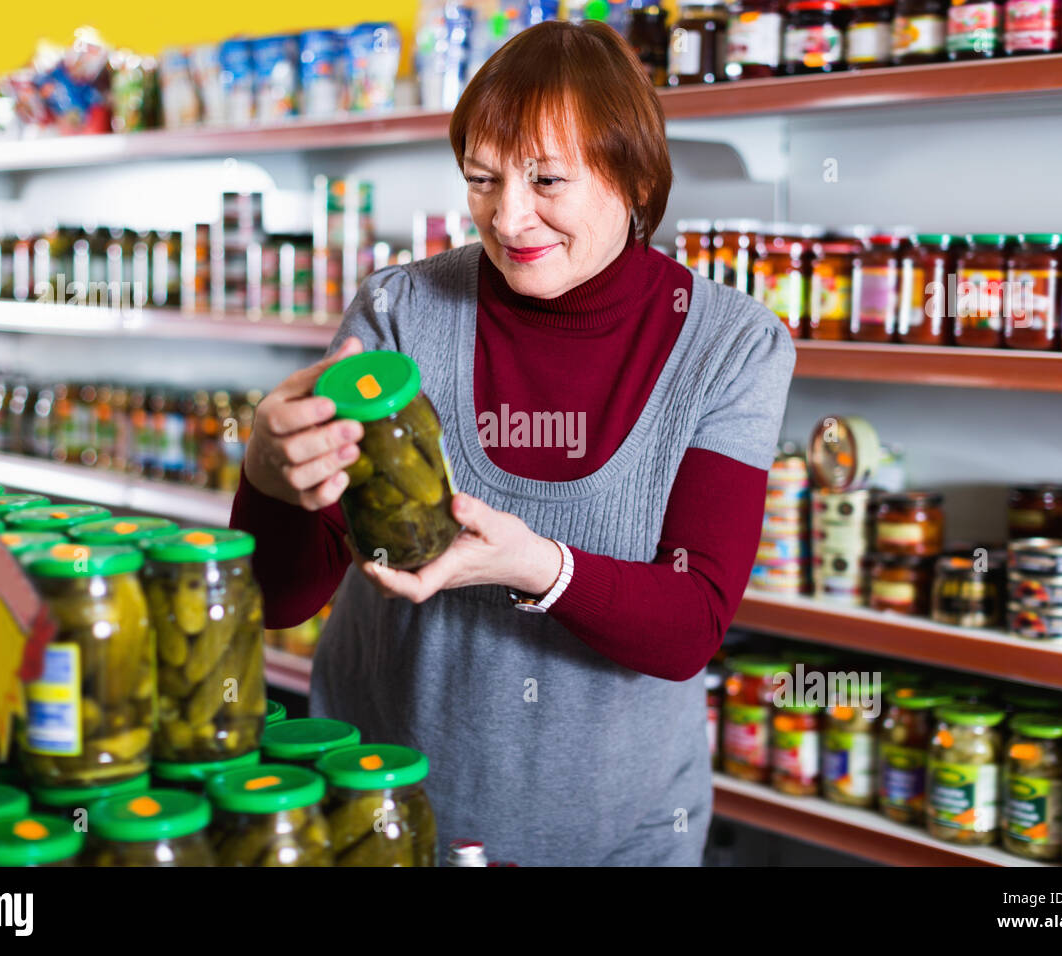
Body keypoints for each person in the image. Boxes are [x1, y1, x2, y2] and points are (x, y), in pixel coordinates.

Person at [231, 19, 794, 866]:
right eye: (483, 180)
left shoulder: (729, 344)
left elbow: (691, 624)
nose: (509, 215)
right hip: (381, 810)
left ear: (636, 177)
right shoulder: (400, 312)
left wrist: (536, 566)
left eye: (548, 180)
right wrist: (270, 476)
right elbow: (280, 598)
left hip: (618, 831)